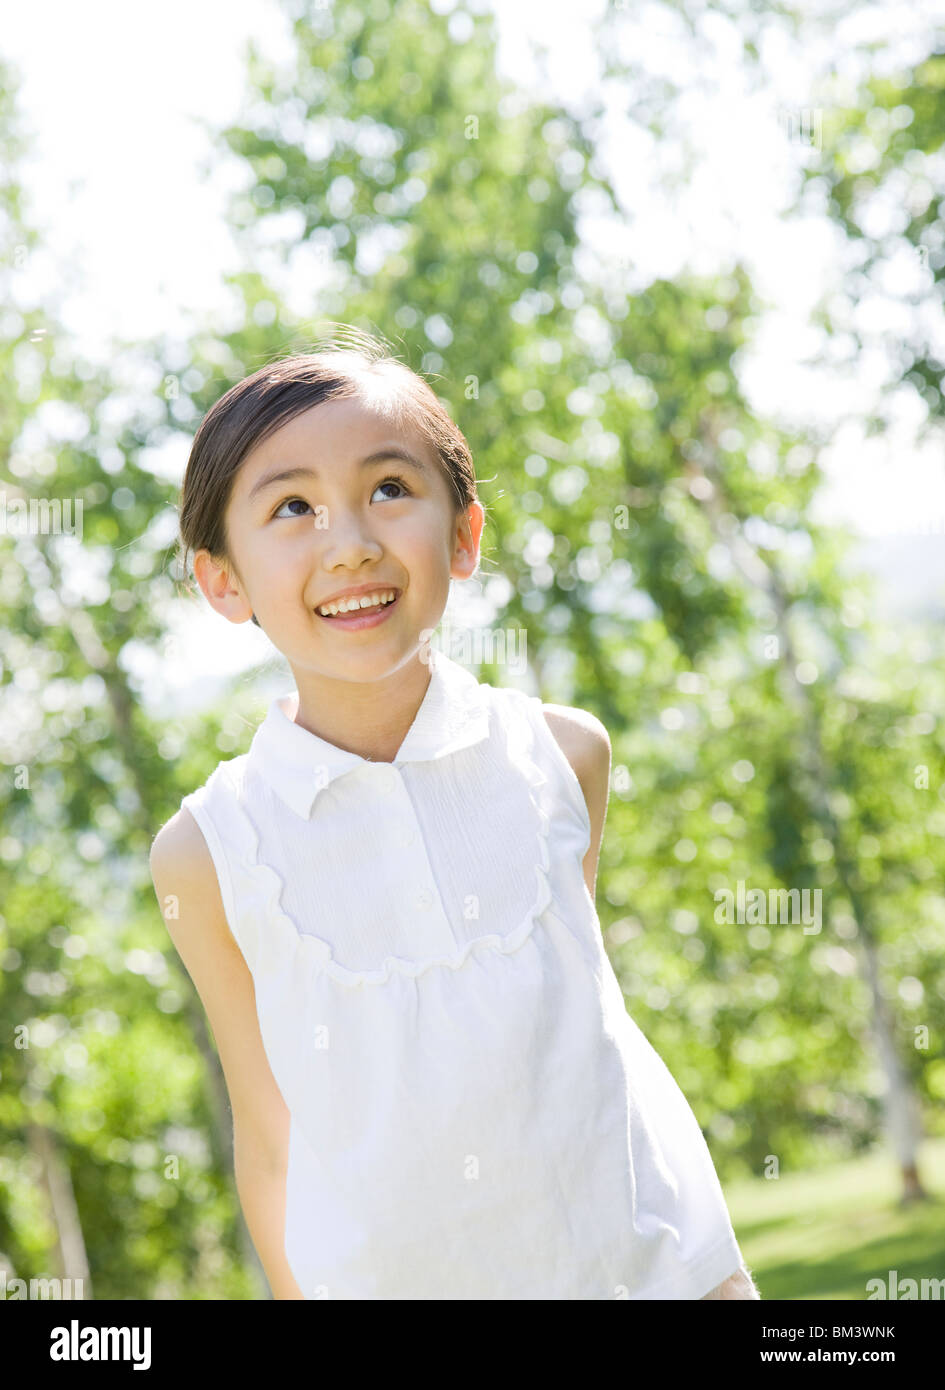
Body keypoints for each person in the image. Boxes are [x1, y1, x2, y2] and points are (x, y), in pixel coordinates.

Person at [149, 326, 760, 1300]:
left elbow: (600, 1047)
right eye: (293, 506)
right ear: (223, 578)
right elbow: (270, 1143)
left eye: (389, 489)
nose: (349, 542)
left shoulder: (564, 755)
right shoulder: (209, 854)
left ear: (464, 532)